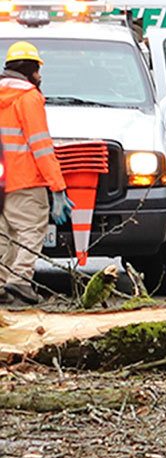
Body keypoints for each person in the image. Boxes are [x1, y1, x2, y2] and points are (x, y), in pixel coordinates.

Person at [0, 42, 72, 305]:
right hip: (24, 180)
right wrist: (58, 187)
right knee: (31, 229)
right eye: (38, 70)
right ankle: (19, 280)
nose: (40, 77)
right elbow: (41, 147)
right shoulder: (28, 97)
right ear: (31, 69)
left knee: (4, 234)